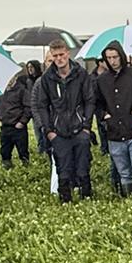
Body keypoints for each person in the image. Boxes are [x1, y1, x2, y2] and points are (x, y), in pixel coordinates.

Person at [35, 39, 95, 202]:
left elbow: (90, 100)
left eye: (61, 54)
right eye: (55, 56)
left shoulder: (81, 74)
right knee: (63, 170)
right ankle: (65, 202)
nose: (59, 59)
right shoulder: (47, 78)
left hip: (79, 129)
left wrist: (86, 126)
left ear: (68, 53)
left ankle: (87, 199)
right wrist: (49, 131)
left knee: (83, 168)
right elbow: (42, 105)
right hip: (59, 132)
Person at [93, 43, 132, 198]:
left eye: (115, 57)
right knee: (124, 172)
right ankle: (130, 200)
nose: (112, 61)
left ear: (121, 56)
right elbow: (97, 104)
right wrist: (104, 116)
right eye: (109, 58)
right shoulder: (101, 80)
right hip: (114, 132)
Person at [0, 60, 36, 168]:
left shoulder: (21, 90)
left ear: (15, 77)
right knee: (5, 150)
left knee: (22, 150)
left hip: (18, 127)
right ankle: (7, 166)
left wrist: (22, 122)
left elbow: (28, 107)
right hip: (5, 126)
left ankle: (26, 168)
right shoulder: (1, 92)